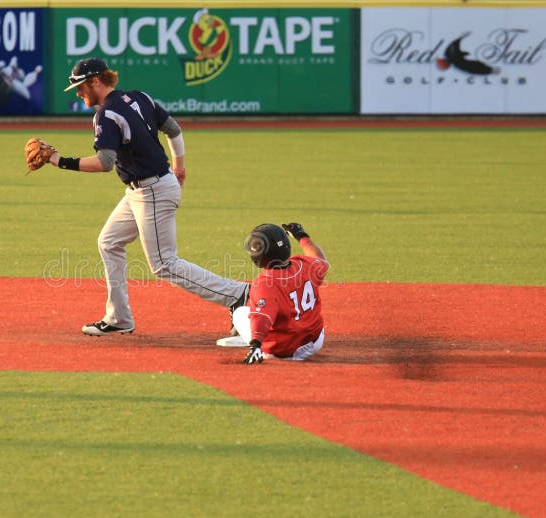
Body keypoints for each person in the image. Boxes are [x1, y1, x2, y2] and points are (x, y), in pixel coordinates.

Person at [31, 57, 249, 335]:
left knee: (164, 264)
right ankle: (118, 318)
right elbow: (173, 129)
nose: (78, 92)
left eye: (81, 86)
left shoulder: (107, 114)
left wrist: (59, 160)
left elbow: (105, 162)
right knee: (109, 242)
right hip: (144, 188)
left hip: (152, 191)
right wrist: (179, 167)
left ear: (96, 81)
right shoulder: (139, 97)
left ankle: (238, 295)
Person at [231, 222, 329, 364]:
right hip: (315, 341)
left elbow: (262, 317)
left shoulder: (265, 282)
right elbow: (321, 260)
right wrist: (302, 237)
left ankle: (263, 350)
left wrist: (255, 345)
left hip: (283, 351)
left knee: (240, 313)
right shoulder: (304, 264)